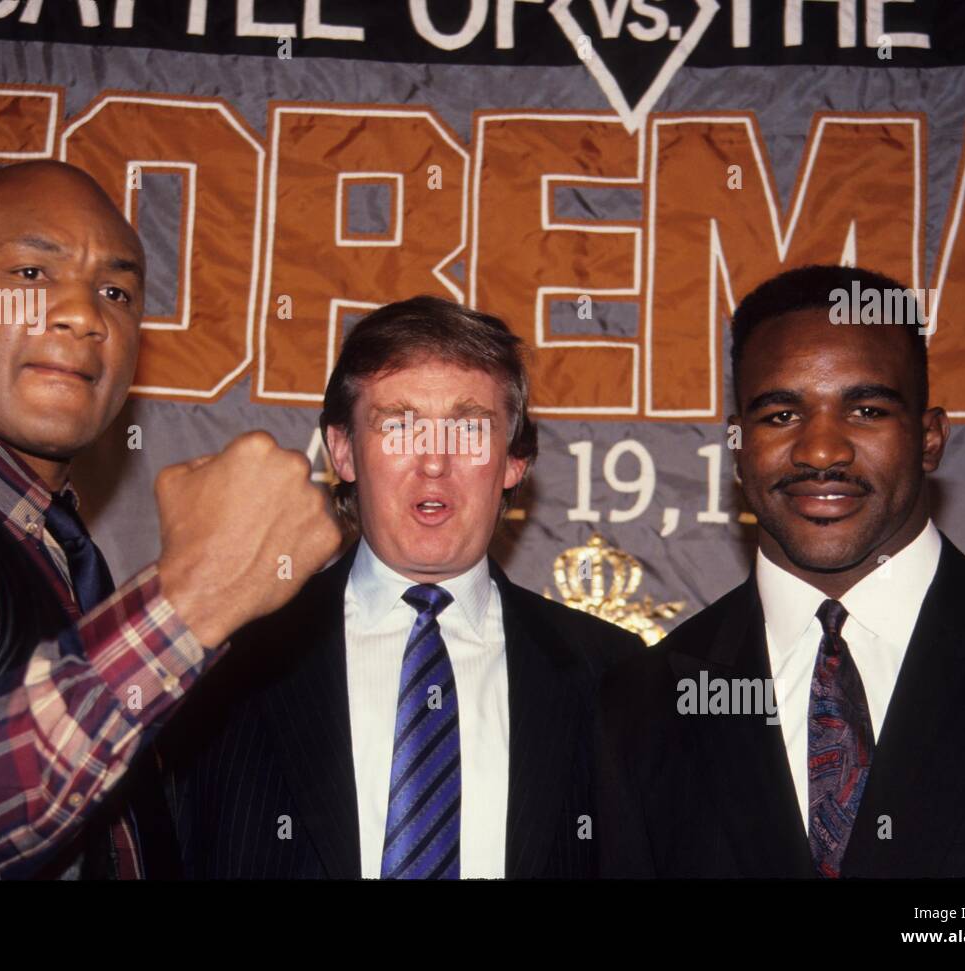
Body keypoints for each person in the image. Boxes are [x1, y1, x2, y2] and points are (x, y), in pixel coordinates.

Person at [0, 160, 341, 880]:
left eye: (115, 290)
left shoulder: (47, 547)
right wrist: (194, 596)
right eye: (30, 273)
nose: (84, 314)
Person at [599, 264, 965, 878]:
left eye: (866, 410)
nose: (821, 450)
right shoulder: (640, 705)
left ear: (930, 437)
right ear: (737, 444)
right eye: (780, 415)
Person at [166, 296, 644, 879]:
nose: (435, 462)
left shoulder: (611, 675)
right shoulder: (230, 659)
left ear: (514, 461)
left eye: (470, 429)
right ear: (343, 450)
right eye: (399, 427)